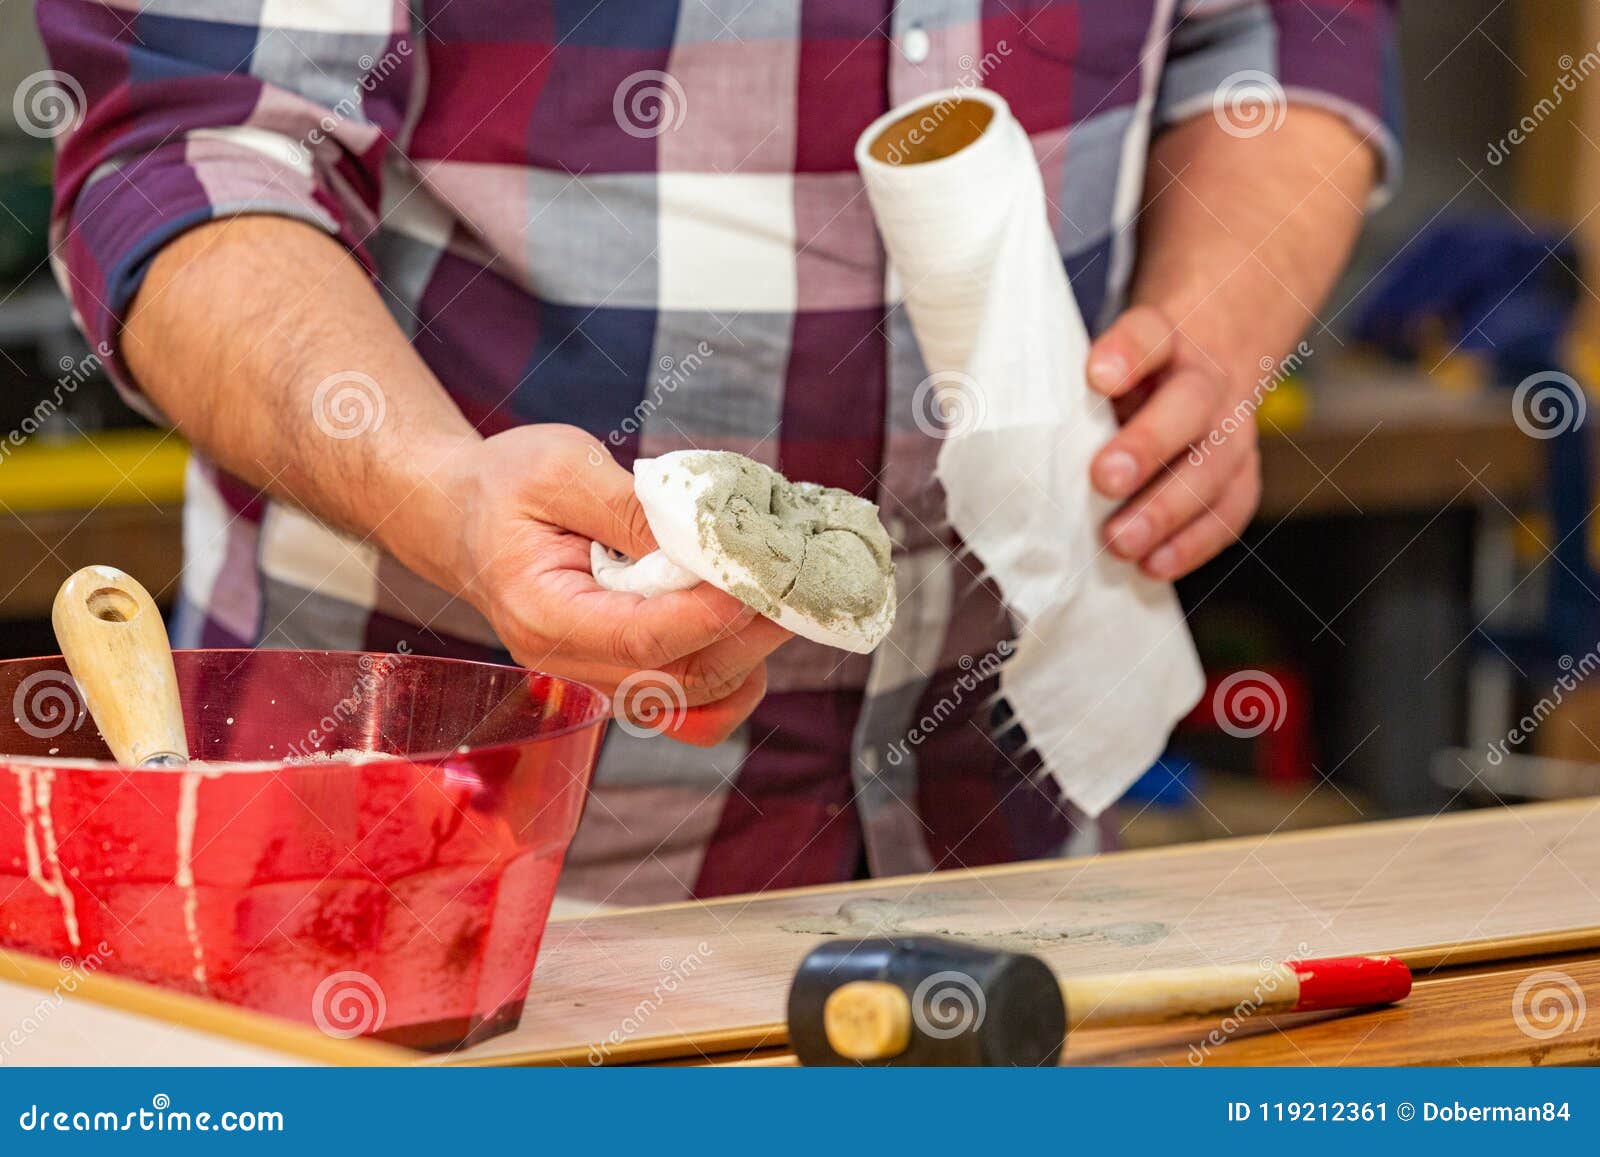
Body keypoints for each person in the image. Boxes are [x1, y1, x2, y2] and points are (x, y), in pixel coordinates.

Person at [39, 1, 1396, 904]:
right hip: (434, 856)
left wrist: (1223, 320)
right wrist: (441, 491)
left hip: (1011, 848)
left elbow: (1284, 34)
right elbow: (192, 146)